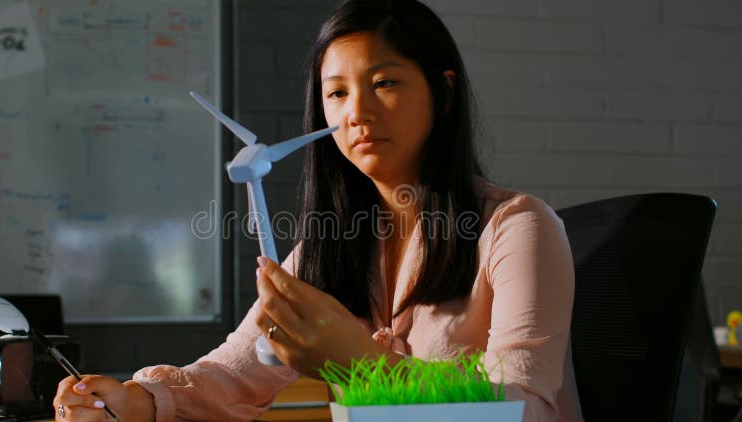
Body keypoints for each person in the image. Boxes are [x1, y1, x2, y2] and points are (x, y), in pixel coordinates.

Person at [53, 0, 582, 420]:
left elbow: (522, 410)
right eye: (336, 94)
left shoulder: (516, 229)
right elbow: (237, 369)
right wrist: (136, 402)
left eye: (384, 83)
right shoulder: (329, 246)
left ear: (443, 93)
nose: (358, 114)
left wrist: (357, 361)